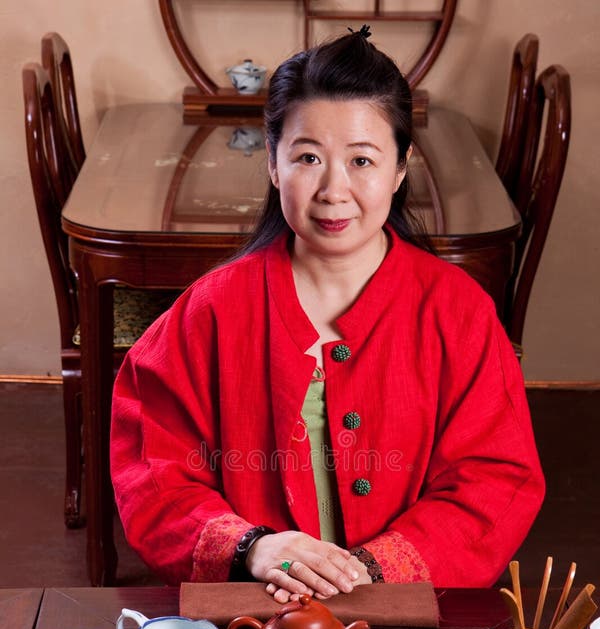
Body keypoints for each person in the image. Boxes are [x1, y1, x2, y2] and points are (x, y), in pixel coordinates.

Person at [111, 27, 544, 599]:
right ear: (272, 163)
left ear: (399, 167)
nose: (334, 190)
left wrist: (373, 567)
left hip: (407, 615)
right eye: (308, 157)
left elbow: (495, 478)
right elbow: (153, 468)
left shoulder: (457, 311)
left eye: (362, 160)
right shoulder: (211, 310)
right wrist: (253, 547)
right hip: (254, 614)